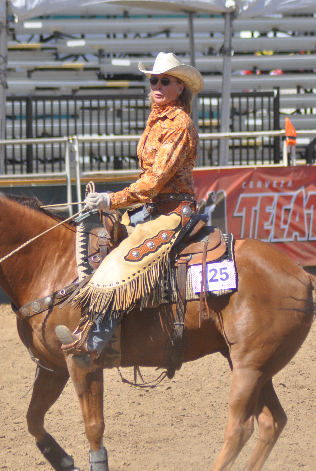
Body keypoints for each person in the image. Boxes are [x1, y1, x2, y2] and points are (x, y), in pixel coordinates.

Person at [56, 52, 204, 369]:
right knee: (100, 238)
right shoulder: (159, 118)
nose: (158, 85)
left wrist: (111, 199)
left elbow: (154, 181)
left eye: (166, 80)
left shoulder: (179, 124)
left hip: (173, 209)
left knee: (124, 259)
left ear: (180, 87)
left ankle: (94, 343)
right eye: (154, 79)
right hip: (154, 207)